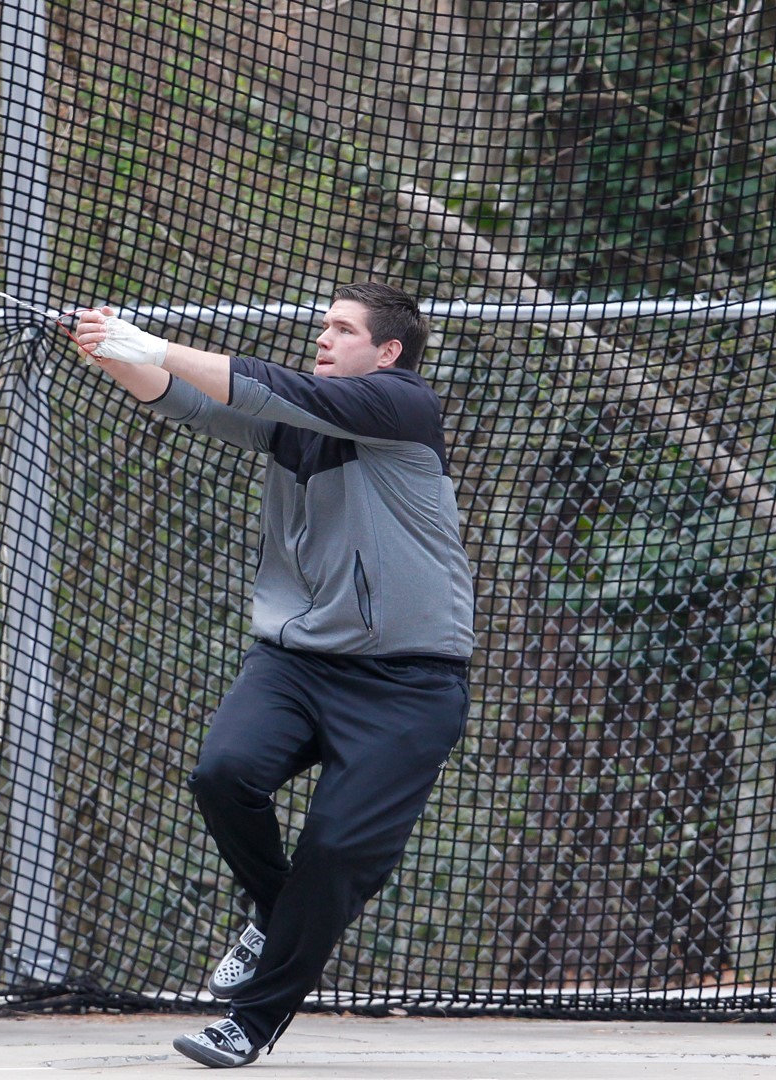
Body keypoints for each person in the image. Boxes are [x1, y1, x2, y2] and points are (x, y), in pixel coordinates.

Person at [72, 283, 476, 1069]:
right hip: (297, 665)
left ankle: (250, 1026)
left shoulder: (402, 408)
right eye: (321, 325)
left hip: (411, 685)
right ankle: (271, 913)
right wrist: (113, 351)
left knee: (332, 857)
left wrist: (146, 339)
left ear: (387, 353)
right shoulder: (298, 427)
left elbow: (265, 383)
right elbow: (189, 403)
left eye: (341, 329)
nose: (321, 337)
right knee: (223, 774)